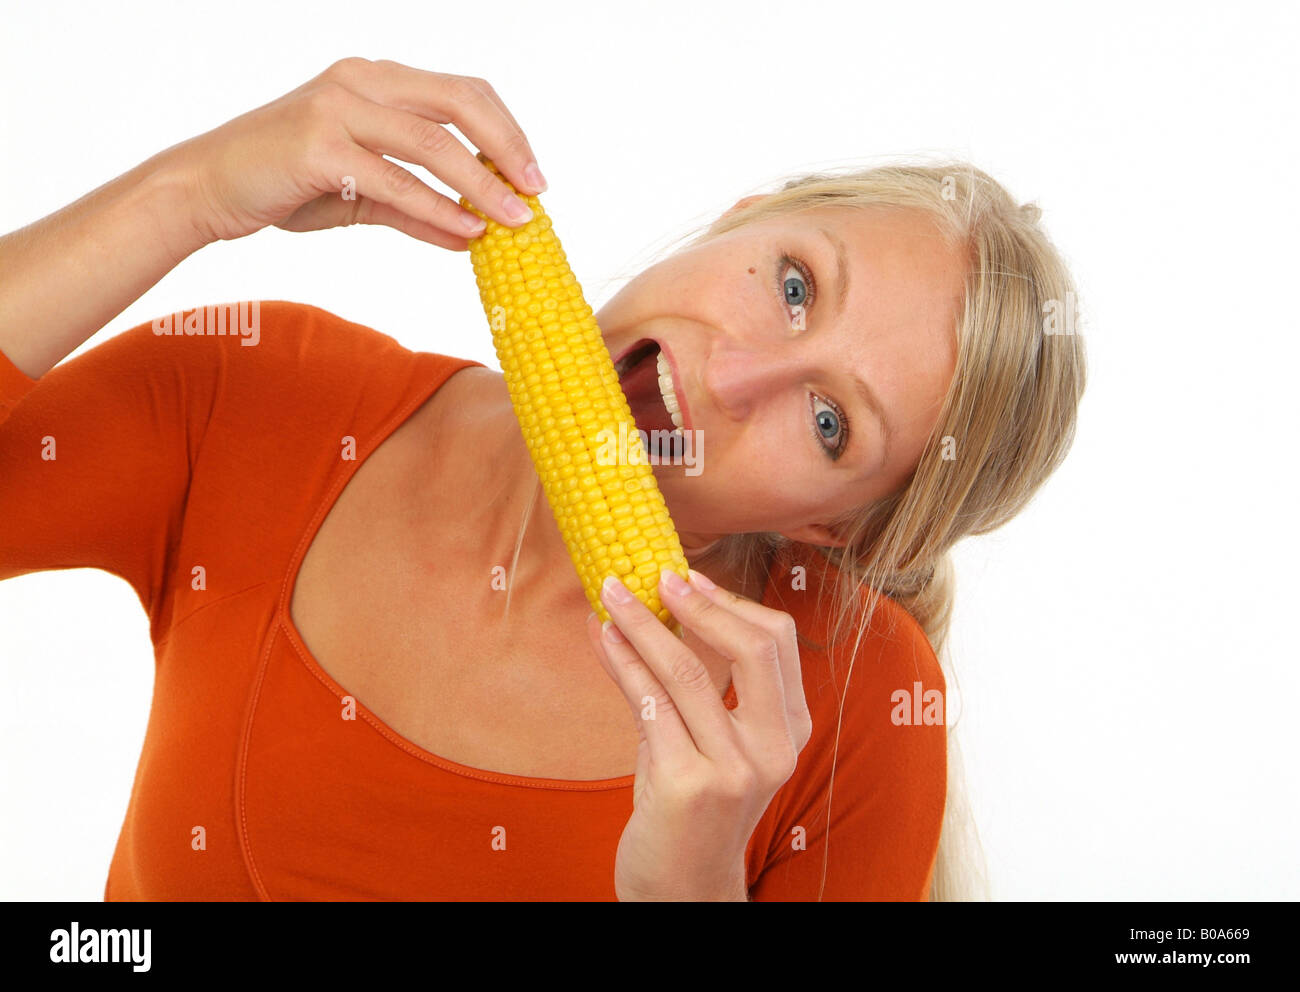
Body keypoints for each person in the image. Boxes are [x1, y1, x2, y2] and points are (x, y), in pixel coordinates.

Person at [0, 58, 1086, 901]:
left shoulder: (853, 708)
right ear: (739, 218)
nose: (734, 373)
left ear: (836, 529)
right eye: (793, 283)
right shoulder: (260, 401)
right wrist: (184, 192)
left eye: (827, 421)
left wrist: (687, 884)